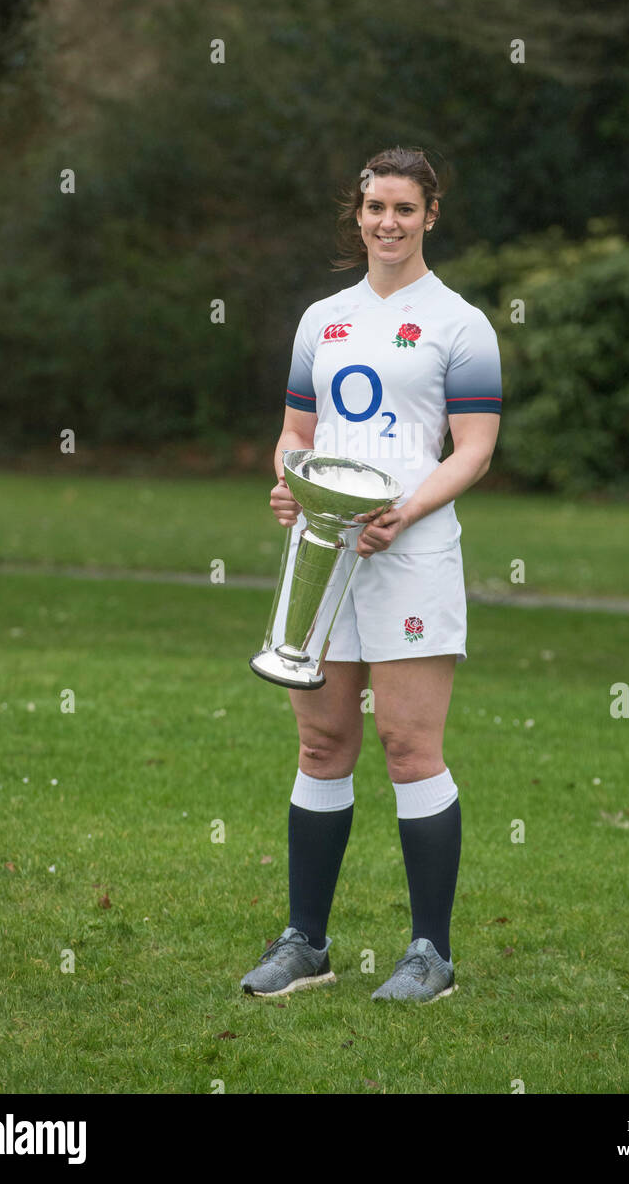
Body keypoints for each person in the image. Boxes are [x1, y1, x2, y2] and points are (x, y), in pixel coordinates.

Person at [241, 146, 502, 1003]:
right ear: (355, 215)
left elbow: (474, 450)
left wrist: (408, 510)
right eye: (372, 207)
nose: (385, 222)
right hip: (320, 554)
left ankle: (431, 954)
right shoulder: (323, 318)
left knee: (406, 745)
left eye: (402, 208)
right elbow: (294, 431)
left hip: (411, 553)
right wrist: (288, 481)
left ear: (430, 215)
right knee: (322, 742)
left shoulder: (460, 324)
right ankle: (305, 944)